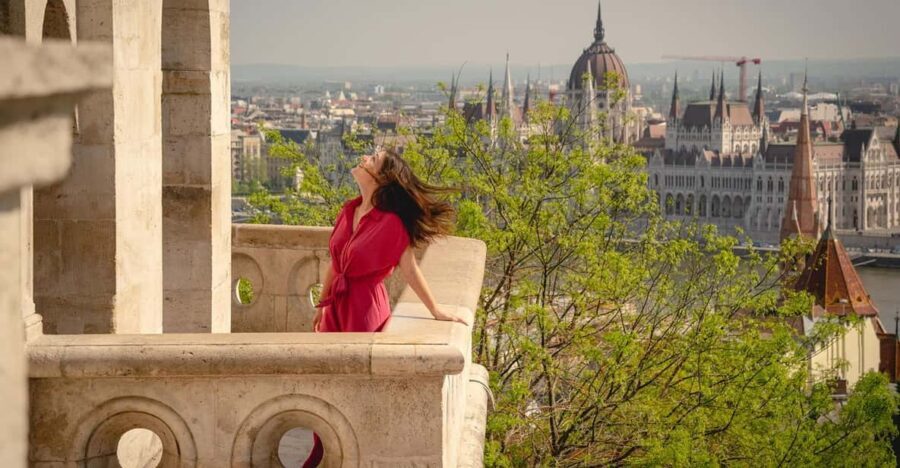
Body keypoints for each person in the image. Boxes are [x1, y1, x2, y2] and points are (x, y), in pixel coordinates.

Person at [303, 147, 469, 467]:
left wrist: (436, 310)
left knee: (353, 397)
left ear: (382, 177)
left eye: (373, 159)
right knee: (326, 391)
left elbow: (409, 267)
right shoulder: (348, 210)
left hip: (365, 310)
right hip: (336, 309)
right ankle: (322, 454)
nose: (364, 158)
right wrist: (322, 305)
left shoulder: (392, 223)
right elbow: (335, 264)